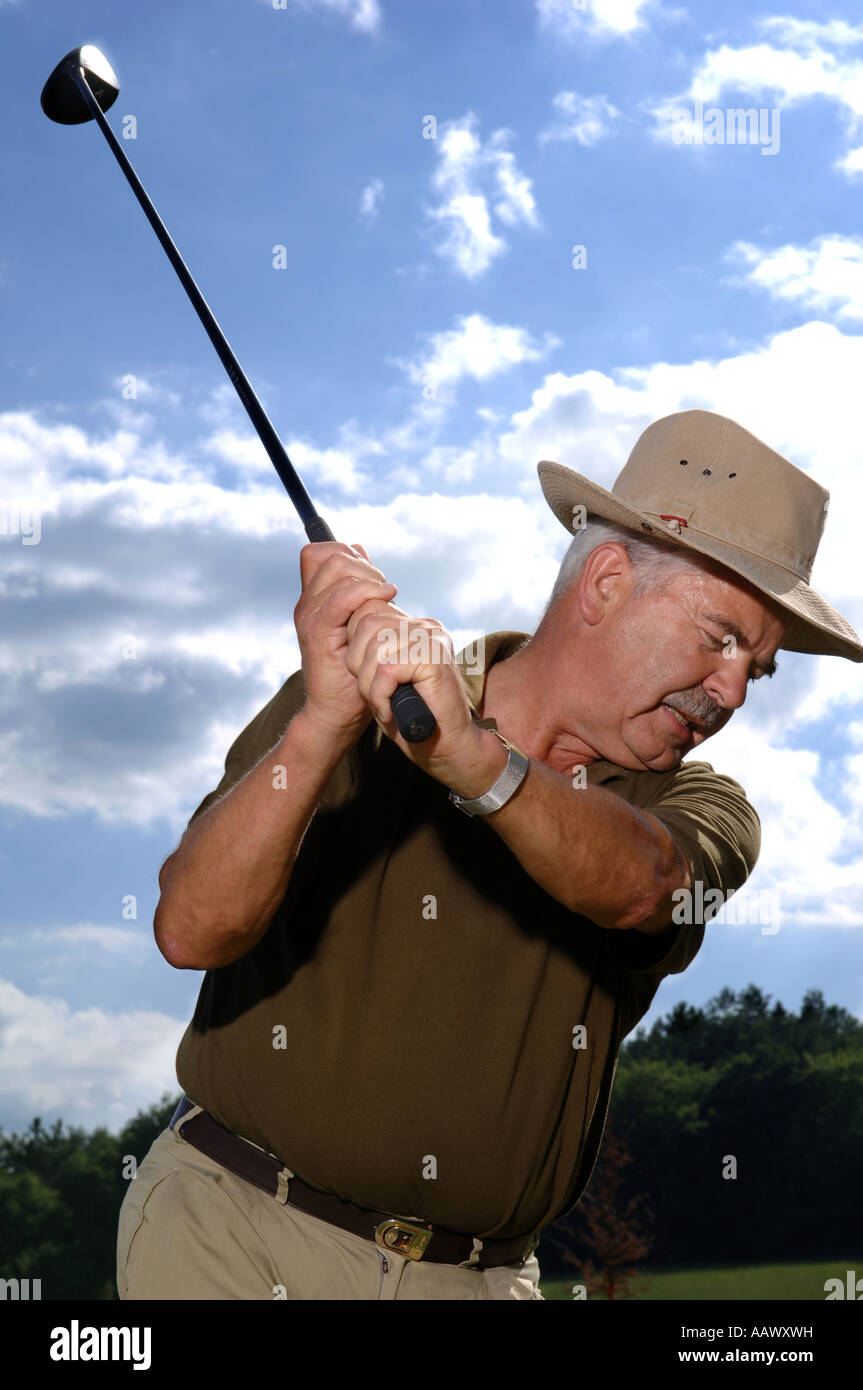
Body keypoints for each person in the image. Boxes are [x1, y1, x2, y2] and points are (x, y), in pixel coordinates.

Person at [116, 408, 862, 1300]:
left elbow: (642, 888)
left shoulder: (699, 807)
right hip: (233, 1233)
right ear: (607, 582)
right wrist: (322, 724)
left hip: (477, 1281)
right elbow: (191, 931)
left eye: (761, 668)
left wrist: (467, 757)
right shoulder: (349, 703)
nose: (733, 690)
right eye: (720, 639)